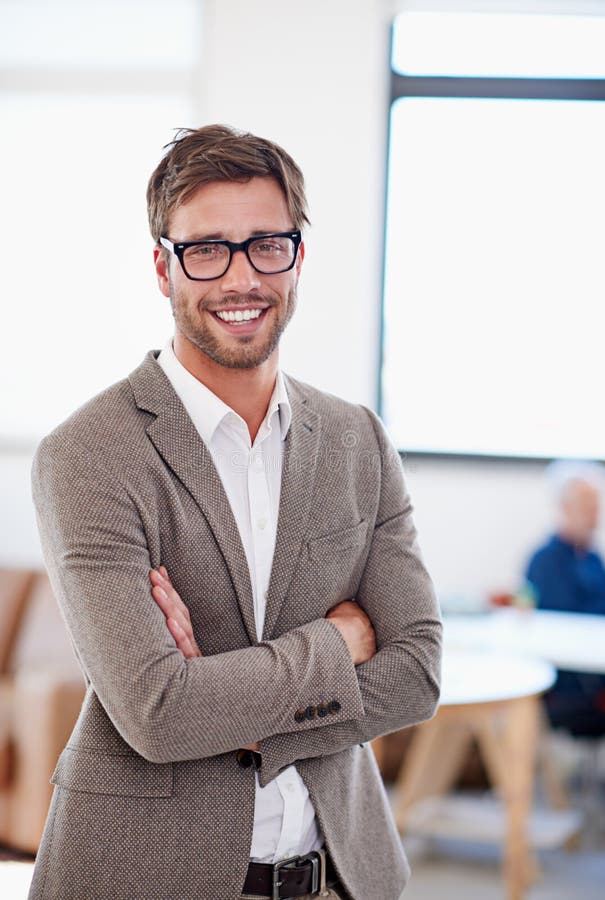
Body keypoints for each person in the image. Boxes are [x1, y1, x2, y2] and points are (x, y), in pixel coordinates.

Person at [28, 125, 442, 900]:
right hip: (146, 878)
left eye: (266, 246)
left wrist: (218, 700)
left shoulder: (356, 439)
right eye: (207, 250)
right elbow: (157, 714)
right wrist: (338, 643)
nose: (241, 277)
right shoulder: (87, 454)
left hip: (338, 876)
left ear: (297, 257)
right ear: (163, 268)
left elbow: (416, 673)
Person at [525, 461, 605, 737]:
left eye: (596, 507)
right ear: (564, 508)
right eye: (586, 506)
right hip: (571, 686)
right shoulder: (546, 561)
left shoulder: (593, 559)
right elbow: (564, 619)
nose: (594, 516)